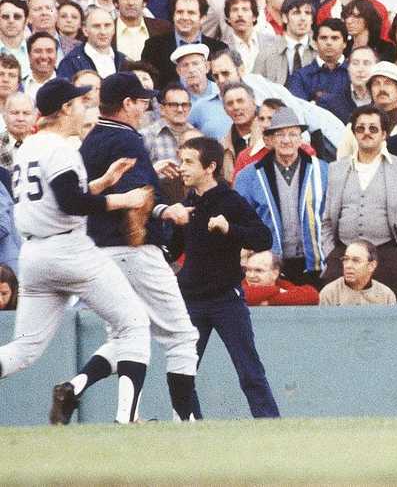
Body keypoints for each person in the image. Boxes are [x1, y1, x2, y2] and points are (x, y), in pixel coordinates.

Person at [0, 78, 151, 425]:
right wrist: (122, 199)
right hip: (69, 248)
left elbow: (58, 196)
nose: (85, 108)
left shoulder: (30, 147)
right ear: (66, 108)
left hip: (35, 255)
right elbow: (71, 202)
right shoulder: (60, 147)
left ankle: (122, 415)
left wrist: (103, 183)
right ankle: (127, 419)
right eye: (80, 103)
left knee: (23, 350)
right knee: (134, 324)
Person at [70, 72, 201, 424]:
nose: (145, 107)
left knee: (128, 334)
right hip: (135, 247)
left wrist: (150, 173)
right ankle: (184, 421)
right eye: (141, 101)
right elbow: (136, 198)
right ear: (126, 104)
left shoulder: (91, 139)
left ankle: (80, 385)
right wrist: (165, 209)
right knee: (182, 337)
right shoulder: (127, 139)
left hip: (98, 250)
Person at [173, 136, 279, 418]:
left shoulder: (230, 201)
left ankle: (271, 426)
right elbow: (172, 250)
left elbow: (263, 238)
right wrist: (169, 220)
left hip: (225, 300)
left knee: (249, 371)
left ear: (210, 167)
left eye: (188, 162)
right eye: (181, 161)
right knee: (183, 372)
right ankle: (190, 426)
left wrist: (229, 228)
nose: (182, 168)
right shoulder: (187, 203)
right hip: (192, 301)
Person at [321, 104, 397, 302]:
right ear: (354, 133)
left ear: (384, 134)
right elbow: (327, 219)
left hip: (387, 257)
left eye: (373, 128)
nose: (366, 133)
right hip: (343, 256)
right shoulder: (337, 169)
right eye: (360, 128)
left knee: (385, 321)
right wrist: (330, 253)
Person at [233, 106, 329, 288]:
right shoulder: (249, 176)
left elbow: (331, 217)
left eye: (293, 134)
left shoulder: (322, 170)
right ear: (268, 140)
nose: (287, 140)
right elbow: (240, 222)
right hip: (268, 266)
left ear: (301, 138)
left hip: (315, 263)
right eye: (280, 135)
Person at [318, 240, 397, 306]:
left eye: (356, 260)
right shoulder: (329, 293)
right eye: (345, 259)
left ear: (372, 266)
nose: (348, 266)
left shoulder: (386, 295)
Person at [241, 250, 320, 305]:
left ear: (275, 273)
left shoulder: (282, 285)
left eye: (258, 270)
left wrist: (267, 302)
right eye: (248, 270)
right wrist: (277, 290)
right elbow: (245, 295)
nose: (251, 275)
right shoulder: (239, 285)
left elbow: (312, 295)